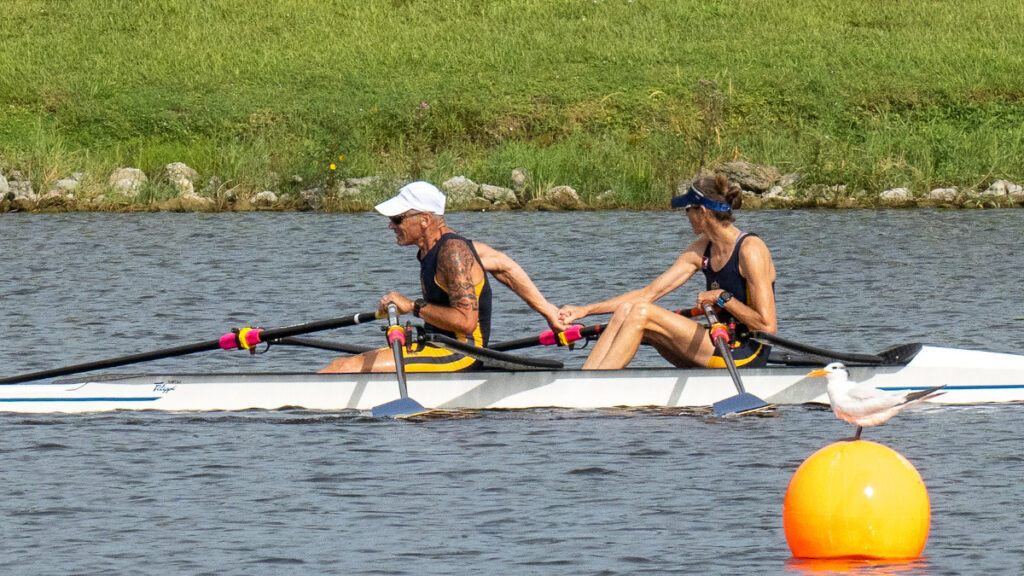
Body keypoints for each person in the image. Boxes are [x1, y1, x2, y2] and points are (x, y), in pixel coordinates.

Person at [320, 181, 564, 373]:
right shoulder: (450, 248)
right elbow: (504, 266)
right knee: (345, 364)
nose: (391, 226)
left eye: (397, 219)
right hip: (438, 345)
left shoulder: (453, 252)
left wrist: (412, 306)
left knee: (343, 368)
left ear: (425, 219)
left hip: (461, 353)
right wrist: (549, 311)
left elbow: (466, 322)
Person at [558, 174, 777, 369]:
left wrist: (722, 297)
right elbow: (647, 294)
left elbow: (767, 326)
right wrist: (584, 311)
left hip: (747, 351)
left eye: (687, 209)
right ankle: (587, 379)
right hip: (718, 341)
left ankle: (597, 385)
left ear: (702, 212)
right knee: (626, 310)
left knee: (642, 313)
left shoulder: (751, 250)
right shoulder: (701, 249)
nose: (686, 215)